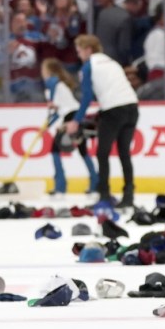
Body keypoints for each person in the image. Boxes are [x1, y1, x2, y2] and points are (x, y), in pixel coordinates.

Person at [66, 34, 139, 207]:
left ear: (88, 49)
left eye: (79, 51)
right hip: (132, 106)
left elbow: (87, 98)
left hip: (113, 110)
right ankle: (128, 196)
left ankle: (104, 196)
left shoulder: (88, 66)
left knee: (102, 153)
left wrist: (76, 120)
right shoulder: (112, 63)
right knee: (124, 153)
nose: (78, 55)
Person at [41, 57, 97, 196]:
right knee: (83, 151)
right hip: (73, 116)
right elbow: (57, 112)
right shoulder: (52, 89)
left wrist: (52, 102)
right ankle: (95, 183)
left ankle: (61, 186)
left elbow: (54, 88)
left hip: (72, 117)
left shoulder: (55, 84)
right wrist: (47, 125)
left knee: (55, 150)